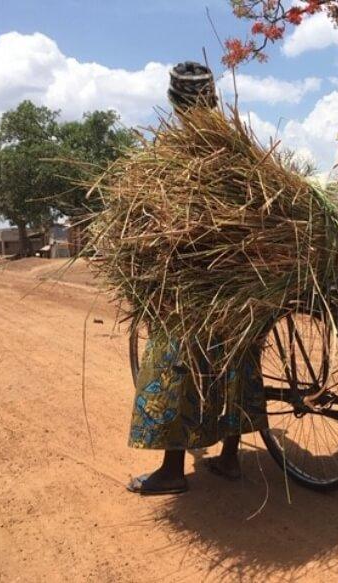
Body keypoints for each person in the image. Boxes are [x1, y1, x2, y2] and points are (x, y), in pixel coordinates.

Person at [127, 62, 267, 495]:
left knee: (172, 362)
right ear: (212, 99)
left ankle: (172, 471)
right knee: (236, 362)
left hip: (196, 280)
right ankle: (228, 458)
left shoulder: (174, 152)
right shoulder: (237, 146)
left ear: (174, 102)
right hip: (241, 277)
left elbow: (164, 220)